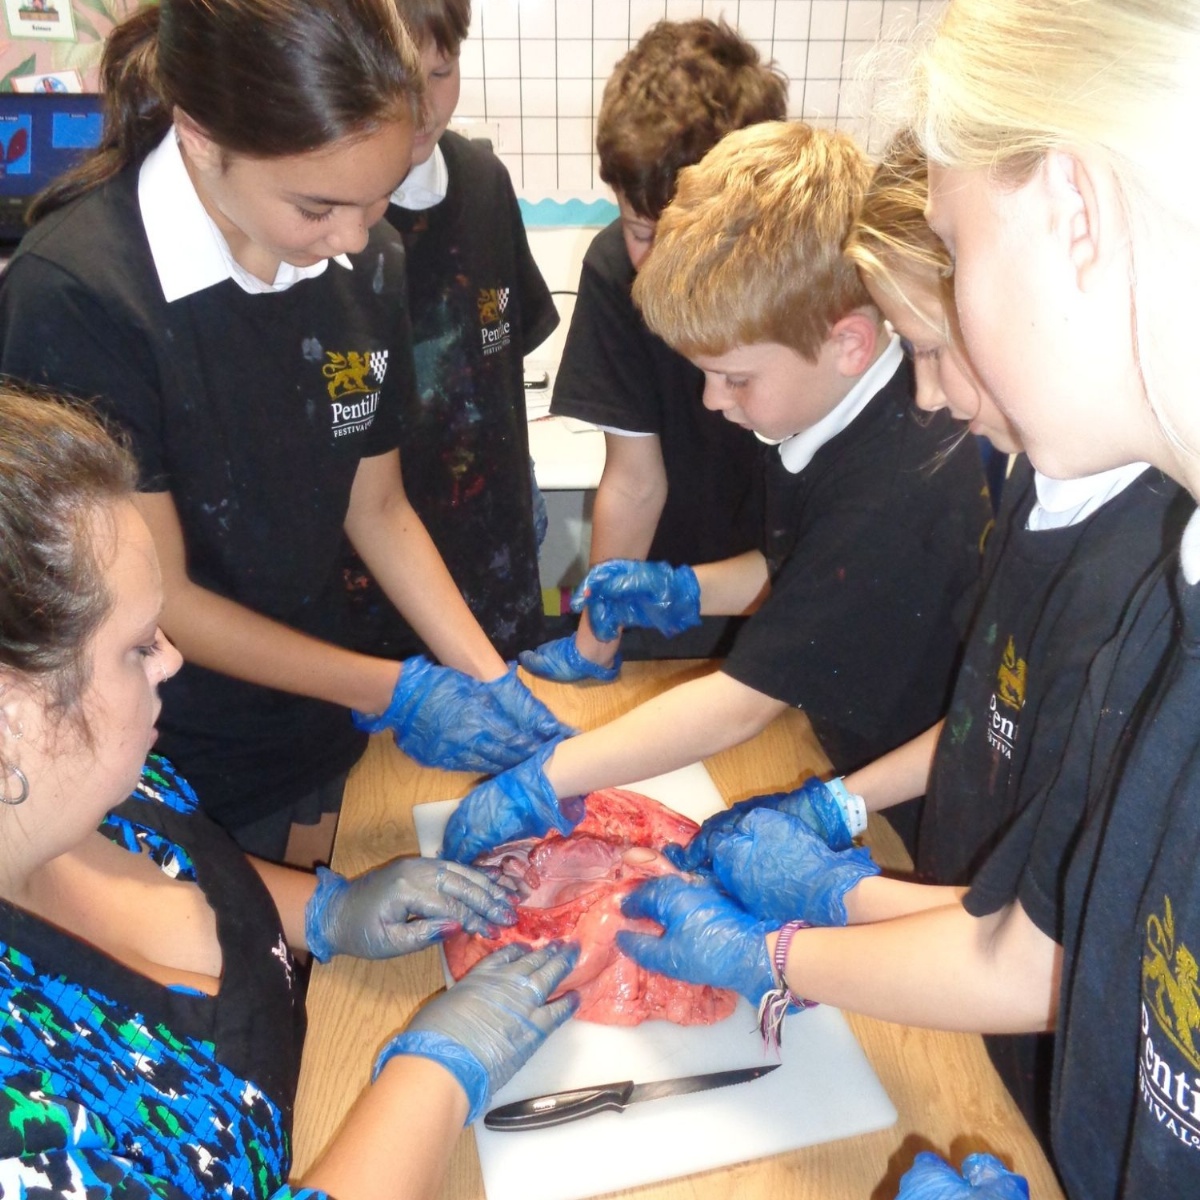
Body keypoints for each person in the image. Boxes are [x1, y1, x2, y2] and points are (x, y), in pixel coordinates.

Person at [619, 0, 1200, 1195]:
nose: (928, 391)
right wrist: (837, 835)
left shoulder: (1132, 571)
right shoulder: (1166, 601)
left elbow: (1034, 969)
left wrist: (799, 932)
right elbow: (1048, 937)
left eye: (956, 244)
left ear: (1075, 211)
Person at [0, 0, 567, 866]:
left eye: (377, 199)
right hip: (158, 755)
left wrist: (488, 678)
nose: (354, 237)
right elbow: (162, 596)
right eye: (317, 208)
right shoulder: (80, 296)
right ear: (200, 137)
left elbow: (378, 509)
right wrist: (394, 689)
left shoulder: (365, 259)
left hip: (315, 721)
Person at [0, 387, 579, 1200]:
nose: (171, 659)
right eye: (136, 648)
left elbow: (182, 863)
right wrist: (434, 1079)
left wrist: (325, 911)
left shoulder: (90, 781)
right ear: (12, 713)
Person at [441, 120, 990, 865]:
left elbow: (739, 706)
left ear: (849, 344)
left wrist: (544, 779)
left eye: (734, 378)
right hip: (859, 747)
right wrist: (686, 588)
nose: (711, 402)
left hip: (940, 799)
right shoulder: (823, 414)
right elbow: (811, 568)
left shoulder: (899, 479)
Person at [520, 18, 786, 682]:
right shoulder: (617, 272)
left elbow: (840, 531)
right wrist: (596, 638)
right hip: (669, 593)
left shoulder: (808, 280)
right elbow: (636, 480)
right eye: (639, 231)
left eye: (677, 237)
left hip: (797, 589)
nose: (656, 264)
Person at [341, 0, 559, 662]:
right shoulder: (330, 218)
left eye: (441, 74)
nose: (423, 109)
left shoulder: (484, 183)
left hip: (498, 566)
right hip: (378, 597)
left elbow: (500, 366)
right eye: (400, 82)